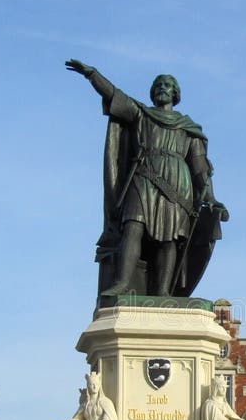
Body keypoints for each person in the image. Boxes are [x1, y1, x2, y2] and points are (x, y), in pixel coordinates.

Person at [65, 60, 229, 297]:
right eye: (158, 85)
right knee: (133, 226)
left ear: (175, 94)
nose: (162, 87)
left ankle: (163, 292)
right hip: (145, 175)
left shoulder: (188, 128)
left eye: (168, 85)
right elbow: (114, 95)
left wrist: (211, 197)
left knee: (170, 238)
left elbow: (200, 167)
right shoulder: (141, 115)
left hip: (177, 183)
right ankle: (122, 283)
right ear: (153, 93)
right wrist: (93, 75)